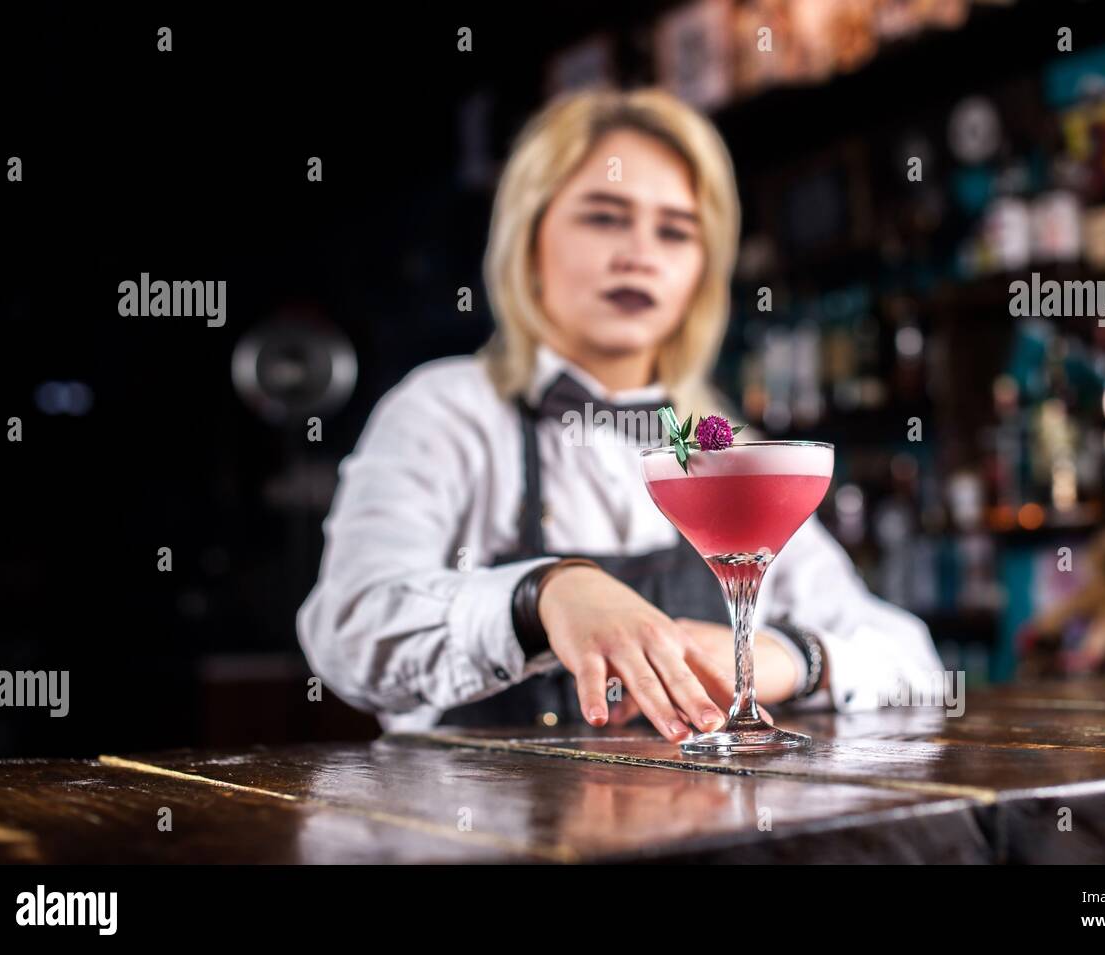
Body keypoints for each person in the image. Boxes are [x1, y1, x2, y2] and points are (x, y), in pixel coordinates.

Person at [297, 88, 943, 744]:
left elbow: (910, 659)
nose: (640, 252)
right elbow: (347, 634)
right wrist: (541, 595)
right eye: (604, 217)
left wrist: (793, 658)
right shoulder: (446, 410)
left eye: (675, 230)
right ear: (530, 242)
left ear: (701, 271)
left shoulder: (721, 447)